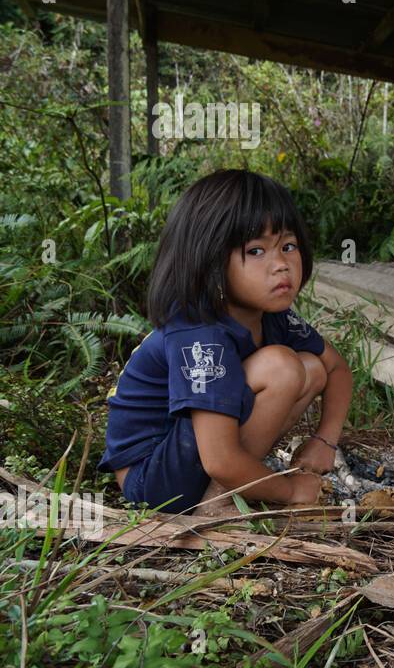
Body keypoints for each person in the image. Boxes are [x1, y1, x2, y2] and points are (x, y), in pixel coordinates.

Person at [98, 170, 353, 515]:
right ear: (212, 262)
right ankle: (216, 502)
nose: (281, 265)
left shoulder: (270, 314)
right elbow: (218, 459)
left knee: (312, 368)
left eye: (288, 246)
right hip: (152, 479)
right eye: (257, 250)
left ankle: (231, 488)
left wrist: (324, 440)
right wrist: (290, 489)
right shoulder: (199, 332)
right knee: (281, 366)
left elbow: (336, 369)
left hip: (194, 454)